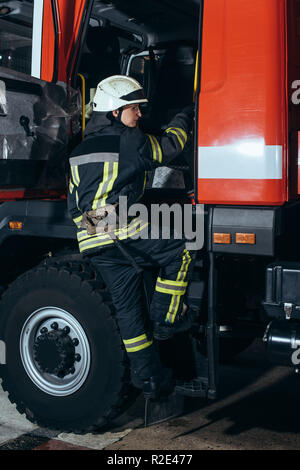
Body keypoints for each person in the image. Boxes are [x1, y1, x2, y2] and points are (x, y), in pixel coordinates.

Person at [67, 75, 195, 399]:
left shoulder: (78, 150)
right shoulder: (129, 141)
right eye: (133, 108)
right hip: (118, 229)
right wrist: (186, 114)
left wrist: (94, 225)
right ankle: (167, 319)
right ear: (114, 111)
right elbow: (170, 146)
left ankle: (150, 378)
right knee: (182, 249)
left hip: (90, 237)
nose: (138, 114)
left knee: (128, 311)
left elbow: (73, 203)